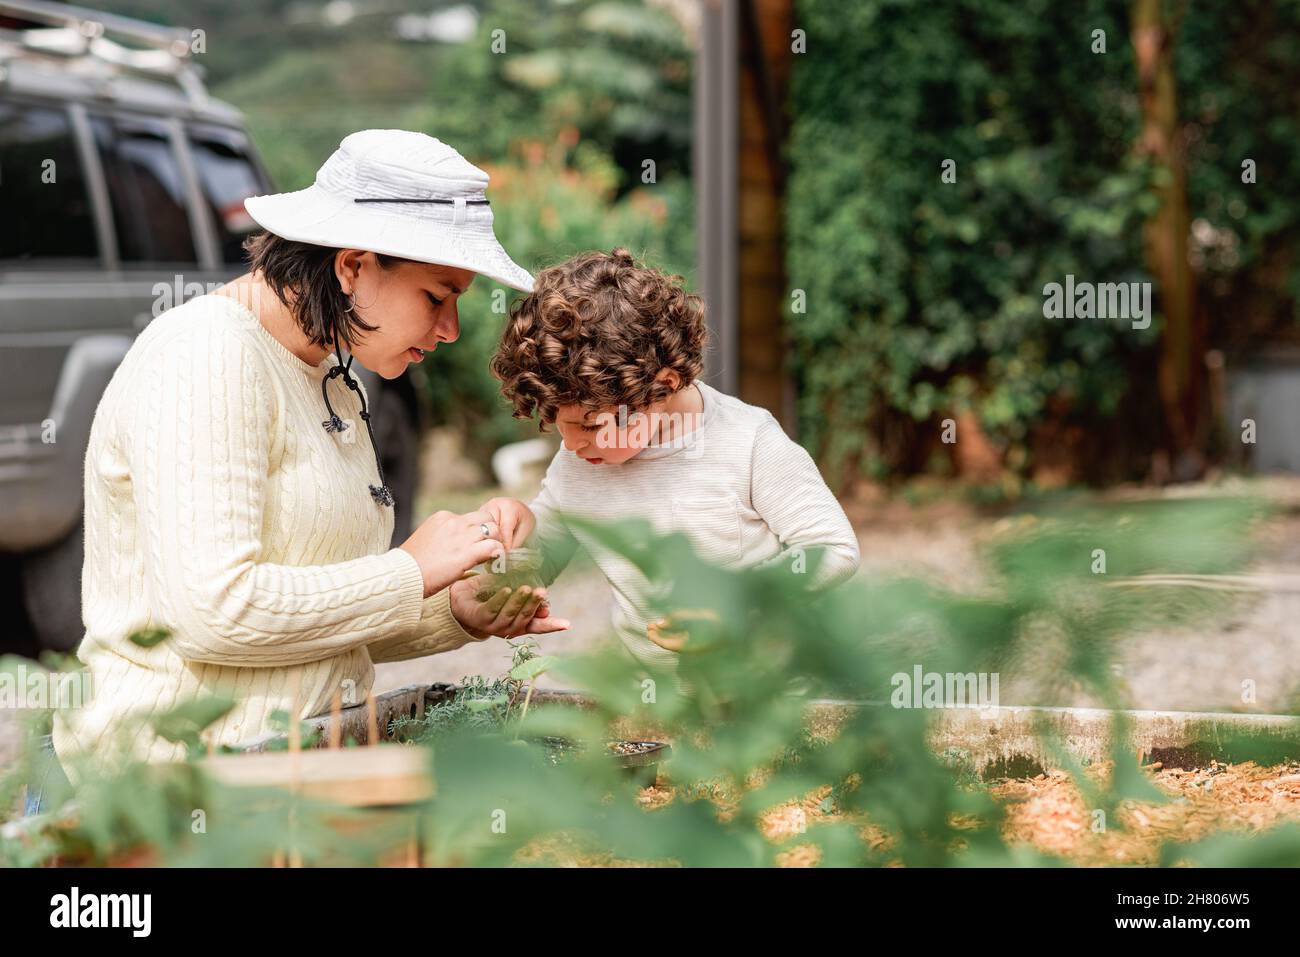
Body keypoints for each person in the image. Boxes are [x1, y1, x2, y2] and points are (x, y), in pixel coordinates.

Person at [44, 130, 564, 796]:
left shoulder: (332, 375)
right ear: (352, 266)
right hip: (172, 795)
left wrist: (455, 606)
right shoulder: (205, 356)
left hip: (292, 771)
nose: (451, 328)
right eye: (437, 296)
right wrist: (410, 569)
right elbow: (216, 613)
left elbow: (313, 622)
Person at [489, 247, 860, 677]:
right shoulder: (581, 461)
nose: (570, 445)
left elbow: (832, 548)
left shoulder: (749, 442)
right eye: (557, 422)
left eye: (591, 425)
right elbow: (544, 552)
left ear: (663, 385)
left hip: (766, 698)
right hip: (657, 704)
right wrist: (508, 552)